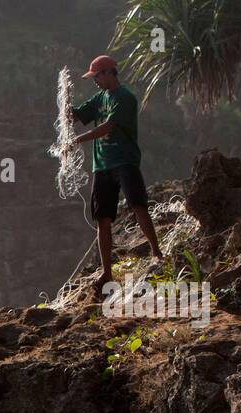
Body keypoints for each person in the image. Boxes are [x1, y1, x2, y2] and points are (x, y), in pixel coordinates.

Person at [70, 55, 163, 297]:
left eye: (96, 77)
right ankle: (107, 272)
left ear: (109, 73)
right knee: (102, 217)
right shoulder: (99, 98)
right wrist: (63, 106)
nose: (95, 83)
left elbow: (108, 126)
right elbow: (77, 115)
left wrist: (79, 140)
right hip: (101, 164)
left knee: (138, 205)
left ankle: (156, 252)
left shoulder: (125, 98)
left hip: (124, 160)